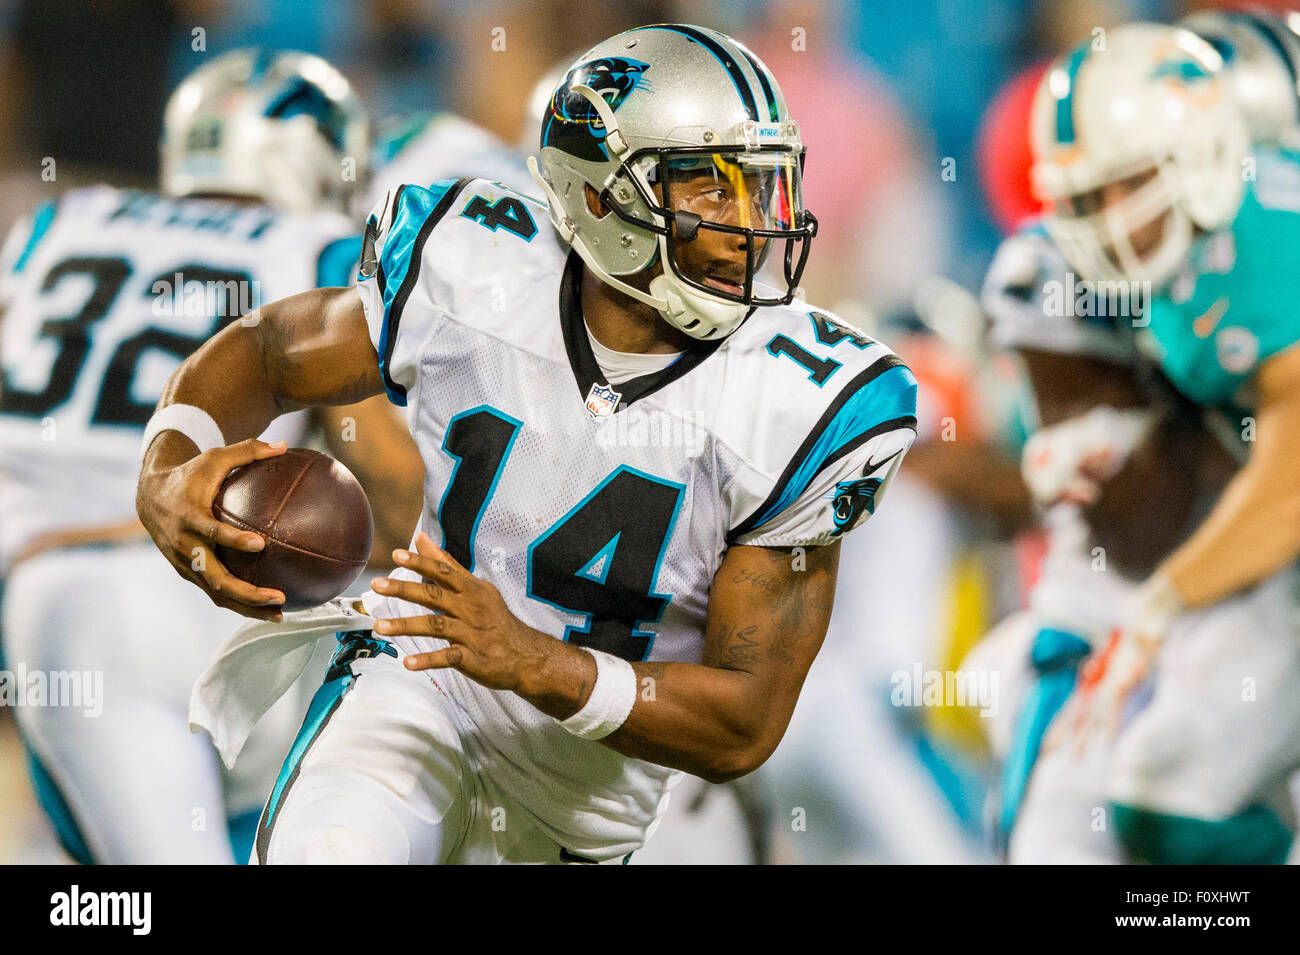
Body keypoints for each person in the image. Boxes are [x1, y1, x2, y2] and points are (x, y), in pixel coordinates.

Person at [137, 24, 919, 865]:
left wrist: (536, 661)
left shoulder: (802, 398)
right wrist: (170, 462)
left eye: (762, 188)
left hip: (583, 802)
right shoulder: (478, 266)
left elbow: (745, 721)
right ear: (597, 197)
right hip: (420, 686)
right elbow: (267, 350)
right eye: (710, 189)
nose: (747, 227)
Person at [0, 49, 370, 863]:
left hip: (63, 599)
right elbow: (393, 475)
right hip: (250, 608)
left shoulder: (61, 224)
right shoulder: (325, 247)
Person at [1025, 20, 1300, 864]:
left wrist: (1159, 608)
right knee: (1166, 787)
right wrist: (1112, 441)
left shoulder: (1267, 246)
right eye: (1088, 197)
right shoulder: (1184, 248)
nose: (1109, 221)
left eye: (1129, 186)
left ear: (1204, 155)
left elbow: (1289, 483)